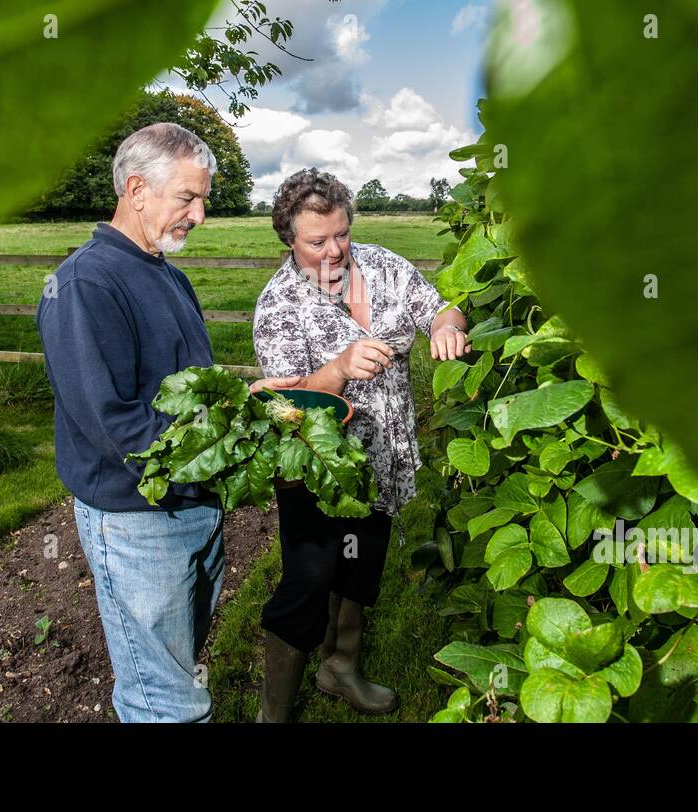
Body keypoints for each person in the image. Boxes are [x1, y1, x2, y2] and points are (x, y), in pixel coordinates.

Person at [36, 122, 296, 722]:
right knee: (166, 701)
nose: (200, 214)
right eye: (188, 197)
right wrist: (233, 451)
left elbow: (181, 394)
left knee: (174, 667)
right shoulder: (85, 284)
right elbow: (118, 426)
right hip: (138, 522)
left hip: (193, 507)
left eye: (202, 198)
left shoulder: (166, 274)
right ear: (136, 189)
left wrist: (244, 401)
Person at [250, 168, 470, 721]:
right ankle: (273, 710)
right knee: (308, 580)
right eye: (315, 241)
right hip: (322, 471)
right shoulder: (279, 306)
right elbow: (286, 407)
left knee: (361, 566)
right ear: (289, 239)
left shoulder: (383, 265)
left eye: (341, 234)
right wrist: (339, 368)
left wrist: (446, 327)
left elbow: (439, 305)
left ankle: (339, 668)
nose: (333, 251)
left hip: (385, 458)